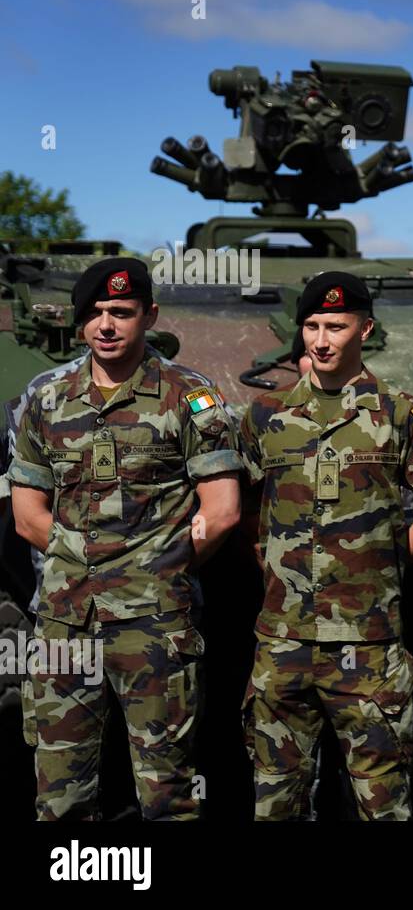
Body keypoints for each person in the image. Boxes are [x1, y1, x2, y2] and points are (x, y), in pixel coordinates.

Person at [7, 257, 242, 820]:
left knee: (167, 791)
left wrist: (160, 573)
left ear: (148, 316)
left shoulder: (191, 396)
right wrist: (86, 566)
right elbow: (26, 514)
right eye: (94, 314)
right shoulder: (46, 398)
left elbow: (223, 510)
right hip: (64, 623)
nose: (106, 325)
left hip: (155, 624)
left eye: (121, 312)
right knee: (59, 791)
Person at [239, 271, 413, 821]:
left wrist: (385, 561)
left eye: (336, 326)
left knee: (383, 801)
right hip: (282, 642)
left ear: (366, 329)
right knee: (275, 799)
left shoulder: (401, 414)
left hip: (370, 642)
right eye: (311, 326)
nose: (322, 339)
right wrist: (273, 566)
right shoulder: (265, 416)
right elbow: (236, 506)